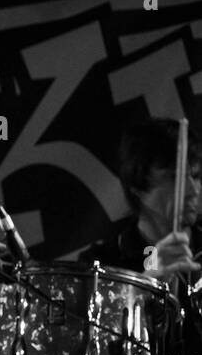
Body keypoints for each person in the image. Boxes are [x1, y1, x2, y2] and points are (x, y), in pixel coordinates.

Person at [78, 118, 200, 283]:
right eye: (175, 178)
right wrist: (147, 282)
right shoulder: (100, 265)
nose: (194, 190)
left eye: (196, 176)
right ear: (138, 188)